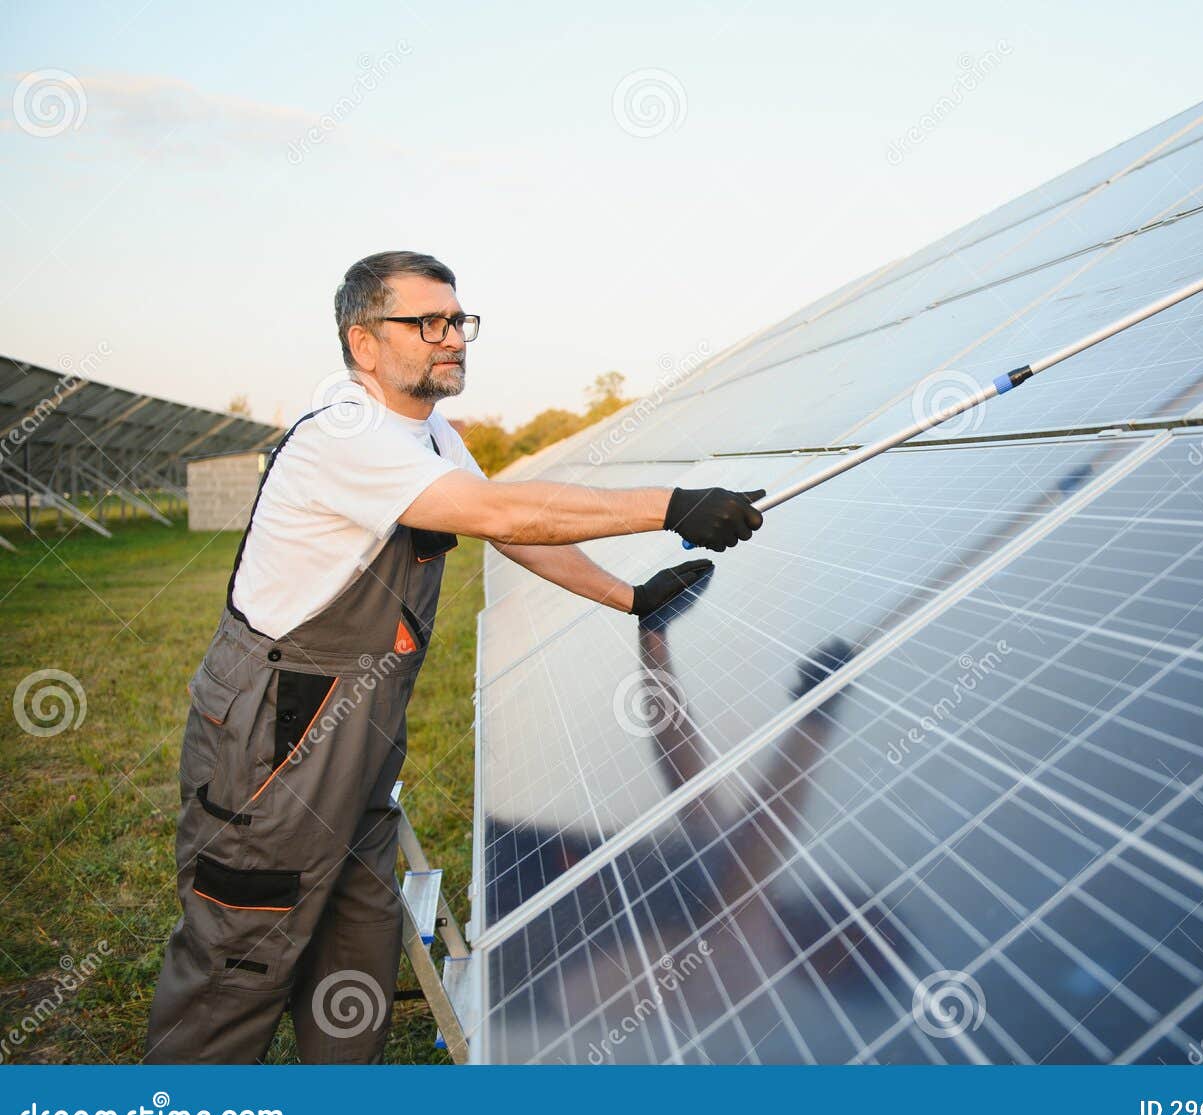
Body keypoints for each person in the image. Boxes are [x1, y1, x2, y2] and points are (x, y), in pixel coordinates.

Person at [144, 250, 763, 1063]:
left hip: (357, 738)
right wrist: (671, 505)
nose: (451, 338)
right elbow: (498, 506)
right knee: (240, 953)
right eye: (426, 322)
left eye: (457, 320)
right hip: (278, 738)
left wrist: (631, 596)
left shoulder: (430, 432)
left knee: (353, 958)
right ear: (363, 343)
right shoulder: (346, 436)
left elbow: (508, 527)